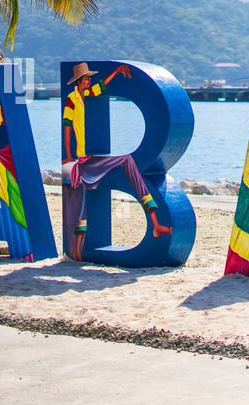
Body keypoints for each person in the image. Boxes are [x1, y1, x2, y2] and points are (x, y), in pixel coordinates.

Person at [61, 62, 172, 261]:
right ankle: (76, 251)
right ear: (79, 81)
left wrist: (117, 72)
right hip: (82, 160)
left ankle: (155, 223)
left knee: (85, 202)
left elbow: (102, 87)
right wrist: (68, 154)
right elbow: (67, 127)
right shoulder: (71, 100)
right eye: (86, 78)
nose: (89, 80)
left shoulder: (86, 95)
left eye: (89, 78)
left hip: (91, 160)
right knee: (82, 206)